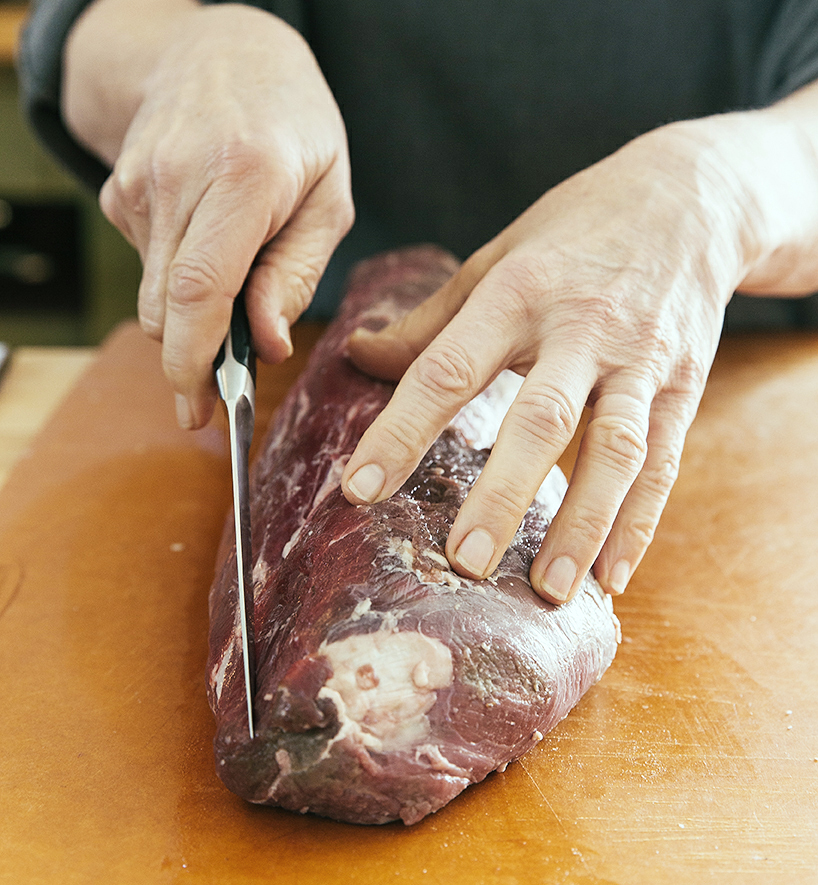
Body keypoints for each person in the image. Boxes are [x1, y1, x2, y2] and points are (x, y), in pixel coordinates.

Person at [17, 0, 818, 605]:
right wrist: (187, 48)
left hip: (706, 406)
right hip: (313, 358)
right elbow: (81, 26)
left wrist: (720, 189)